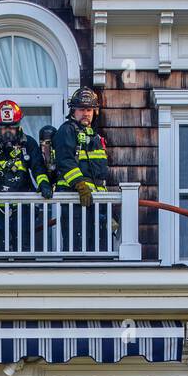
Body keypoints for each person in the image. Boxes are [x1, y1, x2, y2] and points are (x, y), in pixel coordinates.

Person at [0, 100, 52, 254]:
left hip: (23, 204)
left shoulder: (28, 144)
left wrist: (44, 184)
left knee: (24, 245)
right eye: (4, 127)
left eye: (12, 127)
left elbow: (38, 168)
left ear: (19, 124)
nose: (8, 131)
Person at [54, 87, 111, 253]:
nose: (86, 113)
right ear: (73, 111)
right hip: (74, 198)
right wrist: (80, 185)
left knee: (99, 246)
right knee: (76, 246)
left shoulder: (94, 136)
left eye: (89, 109)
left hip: (96, 200)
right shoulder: (67, 130)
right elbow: (65, 161)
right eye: (81, 109)